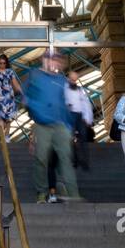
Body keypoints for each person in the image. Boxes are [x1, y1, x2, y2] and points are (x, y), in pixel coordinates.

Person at [22, 50, 78, 204]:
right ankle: (42, 192)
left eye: (57, 60)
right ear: (43, 60)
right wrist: (36, 110)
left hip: (60, 125)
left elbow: (67, 104)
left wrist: (70, 127)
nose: (54, 62)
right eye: (51, 59)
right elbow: (25, 97)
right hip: (42, 124)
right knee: (41, 158)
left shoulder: (61, 80)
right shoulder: (34, 75)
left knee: (65, 157)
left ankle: (73, 193)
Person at [0, 53, 24, 140]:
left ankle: (6, 137)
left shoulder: (10, 71)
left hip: (8, 97)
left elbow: (15, 83)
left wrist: (22, 93)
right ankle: (2, 137)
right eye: (0, 63)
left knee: (8, 118)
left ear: (6, 63)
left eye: (4, 63)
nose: (2, 65)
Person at [64, 70, 93, 172]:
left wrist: (87, 117)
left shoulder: (80, 90)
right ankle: (74, 159)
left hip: (80, 116)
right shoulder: (64, 89)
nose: (74, 82)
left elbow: (86, 104)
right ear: (68, 79)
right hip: (69, 115)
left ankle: (84, 161)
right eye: (72, 79)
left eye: (75, 80)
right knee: (70, 138)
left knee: (83, 138)